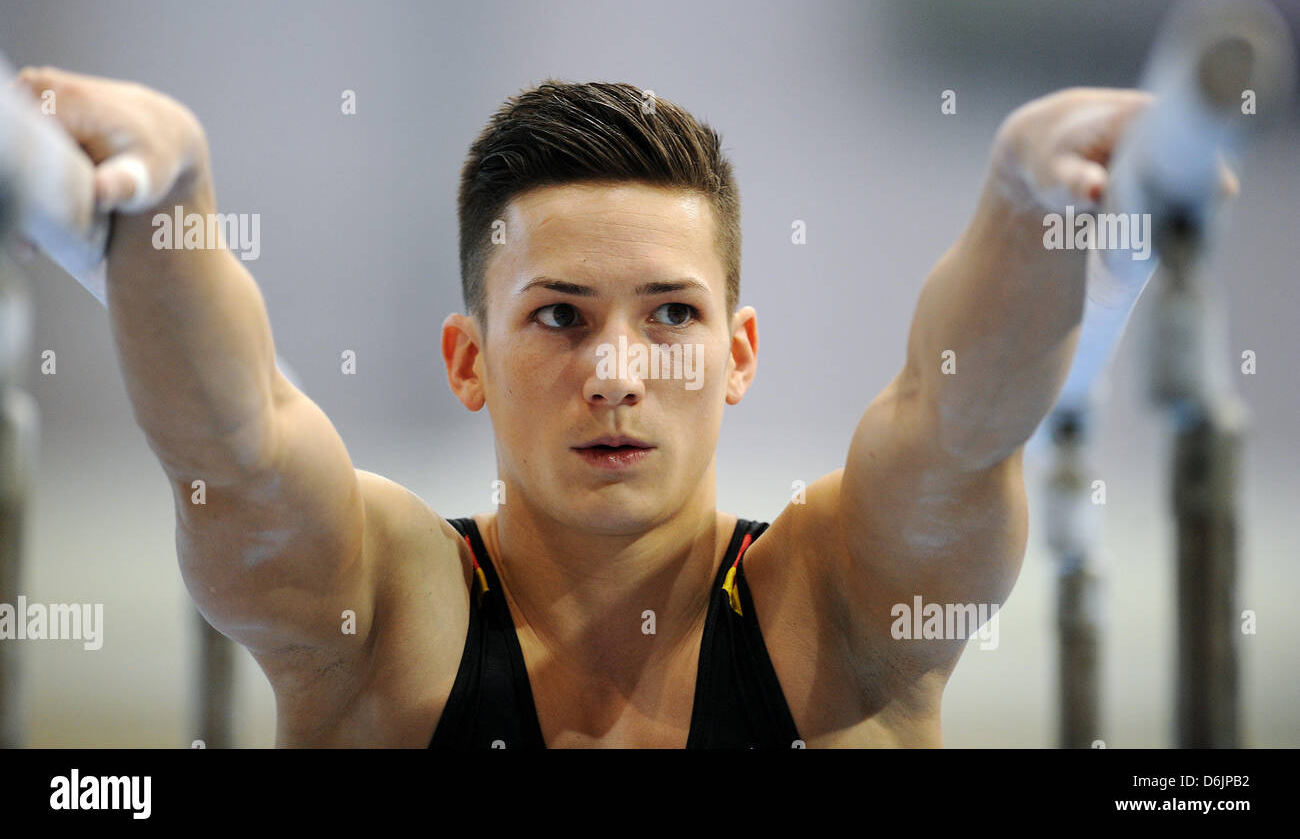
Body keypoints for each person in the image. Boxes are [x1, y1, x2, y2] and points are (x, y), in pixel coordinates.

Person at [10, 67, 1232, 747]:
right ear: (467, 359)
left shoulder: (842, 605)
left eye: (670, 315)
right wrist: (170, 205)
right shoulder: (384, 615)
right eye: (559, 315)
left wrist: (1022, 192)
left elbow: (954, 425)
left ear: (738, 350)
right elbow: (238, 444)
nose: (617, 371)